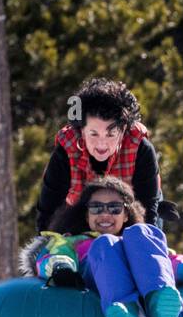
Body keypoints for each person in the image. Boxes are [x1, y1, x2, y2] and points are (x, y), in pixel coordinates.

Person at [20, 176, 183, 317]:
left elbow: (168, 261)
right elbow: (54, 255)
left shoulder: (139, 240)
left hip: (145, 276)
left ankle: (160, 301)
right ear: (86, 215)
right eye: (96, 208)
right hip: (96, 272)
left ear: (126, 213)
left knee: (143, 232)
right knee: (105, 244)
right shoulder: (74, 241)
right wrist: (61, 268)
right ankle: (125, 310)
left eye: (114, 208)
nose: (105, 214)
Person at [35, 78, 172, 233]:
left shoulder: (140, 148)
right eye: (94, 134)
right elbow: (48, 210)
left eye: (110, 134)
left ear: (123, 130)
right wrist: (44, 246)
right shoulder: (65, 152)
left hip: (133, 210)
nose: (101, 144)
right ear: (82, 131)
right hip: (80, 210)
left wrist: (145, 244)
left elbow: (148, 210)